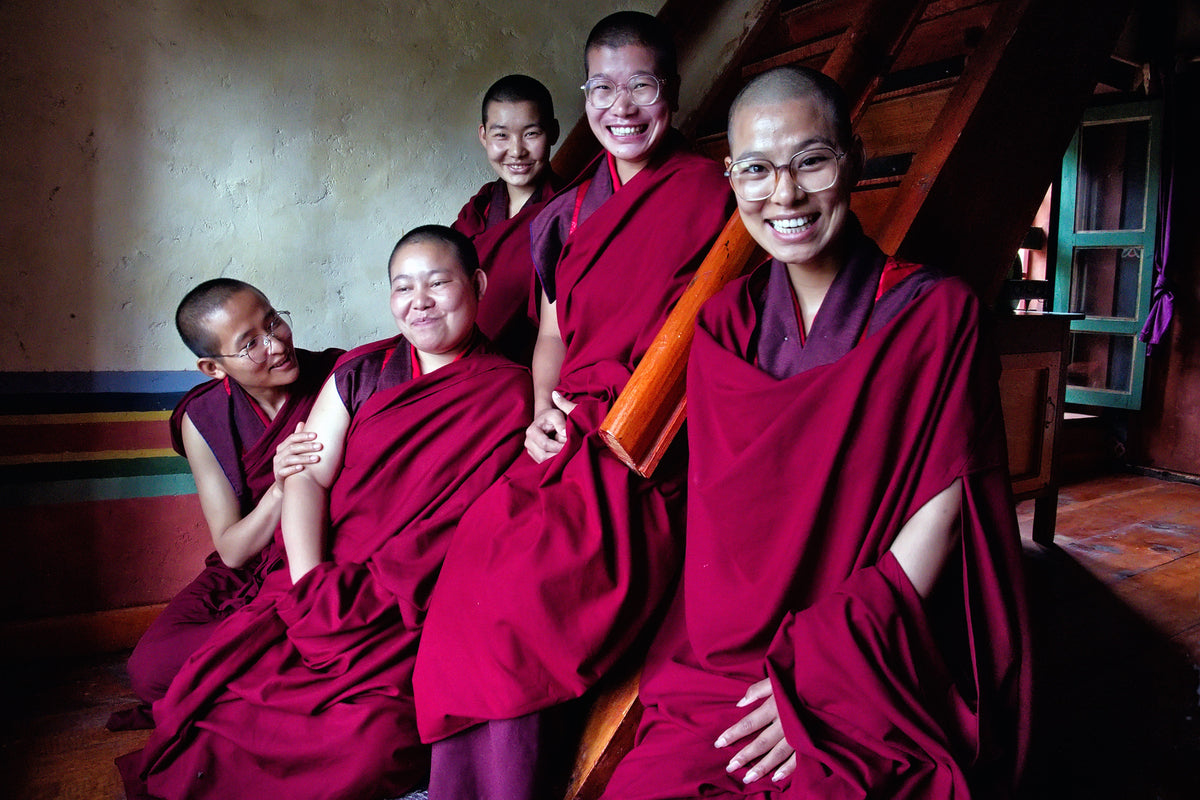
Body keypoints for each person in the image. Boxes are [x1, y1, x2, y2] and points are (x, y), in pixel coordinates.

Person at [599, 66, 1032, 799]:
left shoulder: (934, 314)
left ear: (852, 160)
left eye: (812, 161)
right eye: (757, 170)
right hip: (728, 656)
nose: (786, 195)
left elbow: (947, 508)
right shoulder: (723, 325)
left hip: (868, 648)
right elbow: (724, 519)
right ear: (732, 179)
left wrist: (825, 668)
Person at [414, 11, 735, 799]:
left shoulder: (716, 196)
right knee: (475, 561)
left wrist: (625, 416)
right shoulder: (567, 212)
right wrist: (541, 410)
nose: (620, 106)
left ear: (674, 94)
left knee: (524, 589)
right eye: (602, 87)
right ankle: (470, 786)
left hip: (655, 434)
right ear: (584, 96)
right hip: (573, 423)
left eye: (641, 85)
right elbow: (553, 334)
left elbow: (724, 333)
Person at [118, 226, 534, 800]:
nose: (420, 301)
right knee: (229, 704)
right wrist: (312, 582)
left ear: (478, 284)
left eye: (439, 283)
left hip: (411, 592)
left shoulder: (514, 391)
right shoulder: (363, 371)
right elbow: (308, 477)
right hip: (320, 576)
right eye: (403, 287)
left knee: (369, 743)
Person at [107, 279, 342, 731]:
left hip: (319, 551)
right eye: (250, 343)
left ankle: (251, 679)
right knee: (150, 670)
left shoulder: (337, 374)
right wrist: (279, 486)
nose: (276, 345)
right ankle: (274, 679)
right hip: (245, 568)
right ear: (213, 367)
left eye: (273, 321)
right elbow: (233, 550)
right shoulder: (203, 418)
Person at [452, 73, 562, 364]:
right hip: (456, 358)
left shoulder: (567, 211)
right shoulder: (480, 207)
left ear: (553, 132)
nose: (516, 151)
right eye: (501, 135)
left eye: (531, 134)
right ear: (483, 135)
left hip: (520, 370)